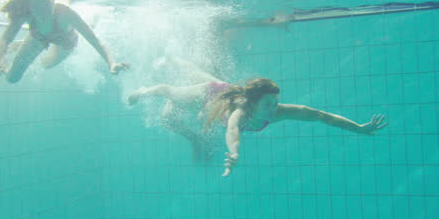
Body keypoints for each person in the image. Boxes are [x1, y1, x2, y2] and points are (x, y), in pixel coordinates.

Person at [127, 57, 387, 176]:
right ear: (253, 103)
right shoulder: (241, 111)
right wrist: (235, 153)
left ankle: (174, 59)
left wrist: (359, 128)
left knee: (203, 75)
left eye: (275, 101)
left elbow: (320, 116)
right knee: (172, 93)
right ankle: (148, 89)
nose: (275, 108)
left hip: (225, 90)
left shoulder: (278, 112)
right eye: (269, 103)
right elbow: (232, 130)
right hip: (212, 95)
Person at [0, 0, 128, 83]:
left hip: (66, 40)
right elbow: (3, 41)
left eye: (46, 9)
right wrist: (1, 61)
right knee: (12, 79)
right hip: (38, 37)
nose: (43, 15)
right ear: (30, 8)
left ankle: (91, 19)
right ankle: (25, 42)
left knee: (46, 63)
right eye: (38, 11)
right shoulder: (25, 12)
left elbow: (96, 41)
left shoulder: (64, 12)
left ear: (53, 1)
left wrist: (111, 63)